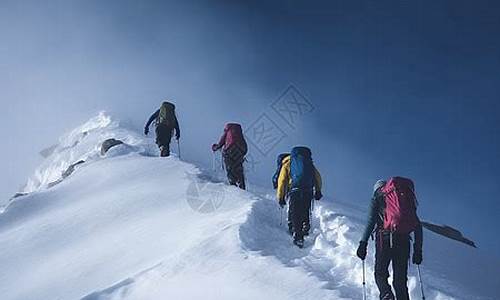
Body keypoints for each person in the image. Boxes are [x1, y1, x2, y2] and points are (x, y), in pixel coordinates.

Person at [356, 179, 423, 300]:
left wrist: (363, 243)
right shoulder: (405, 199)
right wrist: (418, 250)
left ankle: (386, 295)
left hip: (384, 238)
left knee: (380, 273)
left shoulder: (377, 197)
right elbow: (418, 226)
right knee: (400, 281)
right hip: (403, 240)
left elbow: (371, 222)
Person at [276, 146, 322, 248]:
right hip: (308, 190)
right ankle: (305, 225)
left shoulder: (287, 164)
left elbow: (282, 181)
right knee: (305, 208)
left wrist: (281, 197)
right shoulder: (309, 164)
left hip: (295, 190)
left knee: (295, 211)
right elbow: (317, 177)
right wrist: (318, 191)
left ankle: (298, 236)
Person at [212, 123, 247, 190]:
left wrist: (214, 148)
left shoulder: (227, 132)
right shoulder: (240, 135)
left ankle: (234, 188)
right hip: (239, 153)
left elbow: (220, 144)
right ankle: (242, 188)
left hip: (229, 152)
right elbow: (245, 147)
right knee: (239, 171)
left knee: (230, 170)